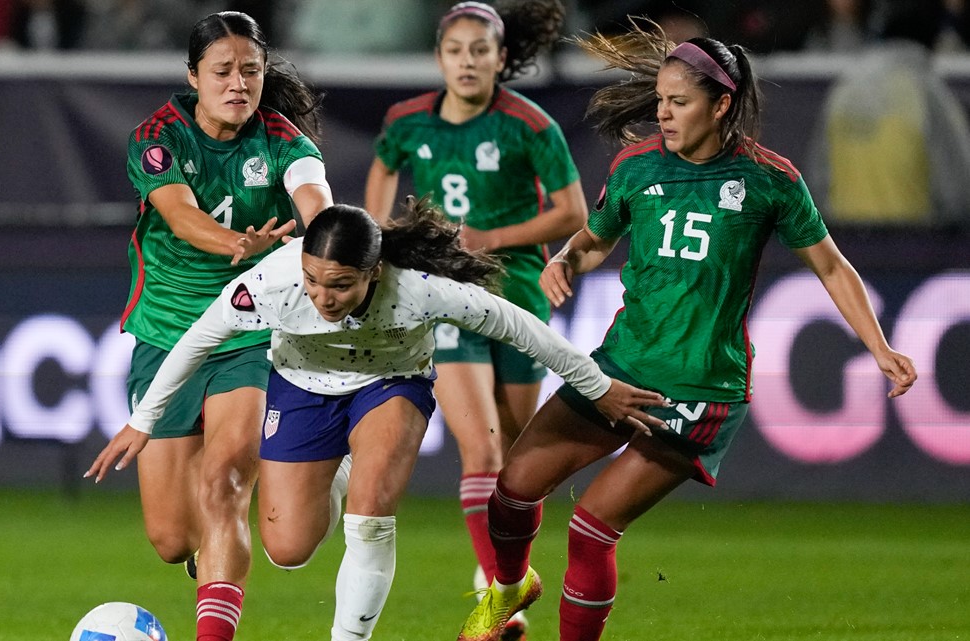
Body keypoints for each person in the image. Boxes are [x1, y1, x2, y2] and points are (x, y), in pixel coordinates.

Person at [456, 18, 918, 641]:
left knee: (591, 529)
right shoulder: (636, 168)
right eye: (661, 102)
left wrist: (879, 345)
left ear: (721, 104)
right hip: (617, 368)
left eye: (679, 103)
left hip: (699, 387)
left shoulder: (768, 179)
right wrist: (566, 260)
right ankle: (510, 590)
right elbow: (593, 240)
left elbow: (831, 265)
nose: (664, 116)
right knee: (510, 492)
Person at [87, 200, 670, 641]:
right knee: (287, 548)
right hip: (301, 389)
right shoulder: (271, 284)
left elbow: (519, 326)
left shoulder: (416, 289)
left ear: (373, 272)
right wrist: (144, 420)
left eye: (339, 284)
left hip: (390, 386)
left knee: (370, 516)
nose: (321, 296)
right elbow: (197, 340)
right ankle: (340, 472)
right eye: (313, 279)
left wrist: (597, 389)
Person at [363, 5, 588, 633]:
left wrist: (496, 236)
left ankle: (499, 570)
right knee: (481, 446)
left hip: (517, 294)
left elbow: (571, 211)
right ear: (440, 58)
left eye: (480, 50)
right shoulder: (407, 120)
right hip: (445, 293)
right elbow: (382, 165)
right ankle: (498, 590)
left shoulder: (528, 125)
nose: (468, 61)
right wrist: (380, 235)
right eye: (456, 50)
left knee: (516, 456)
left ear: (498, 56)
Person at [112, 11, 332, 641]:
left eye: (251, 71)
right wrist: (239, 242)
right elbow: (180, 216)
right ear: (193, 77)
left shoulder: (286, 141)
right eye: (223, 71)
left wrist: (326, 232)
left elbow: (314, 197)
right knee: (171, 536)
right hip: (168, 333)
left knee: (226, 483)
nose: (239, 83)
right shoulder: (158, 137)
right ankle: (207, 551)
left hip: (249, 329)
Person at [806, 0, 970, 225]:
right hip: (913, 249)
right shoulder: (926, 91)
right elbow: (959, 193)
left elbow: (817, 182)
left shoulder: (843, 90)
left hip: (846, 249)